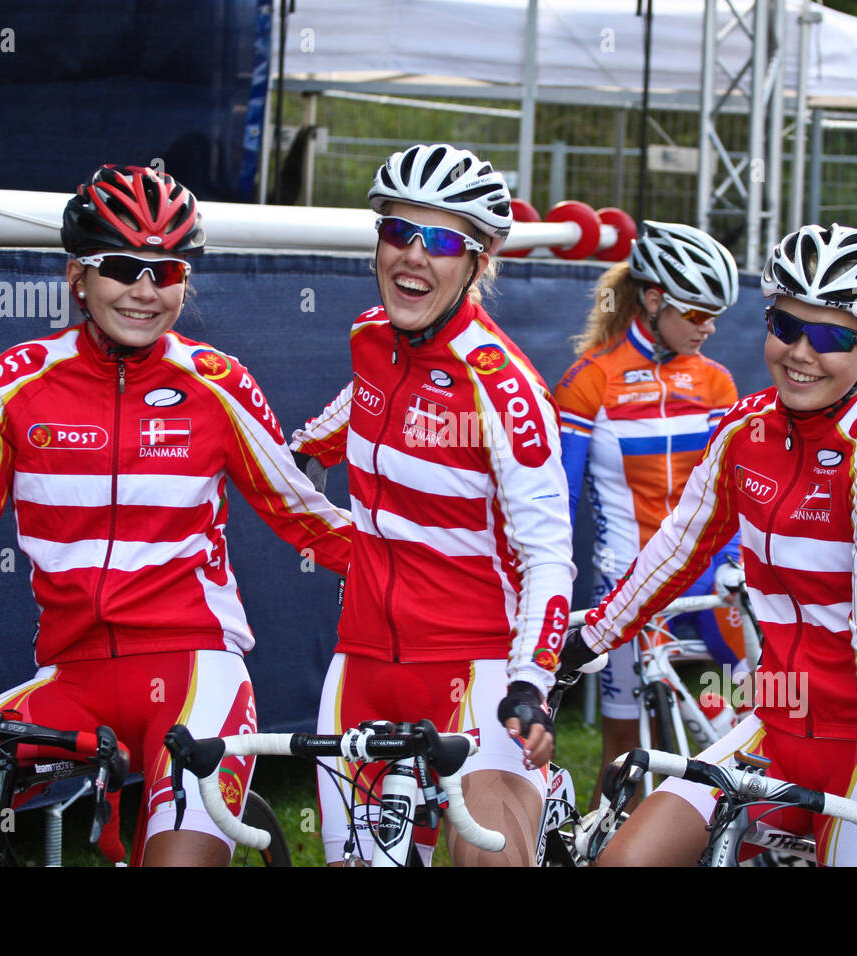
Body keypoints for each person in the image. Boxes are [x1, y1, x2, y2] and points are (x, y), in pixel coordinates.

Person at [0, 164, 353, 867]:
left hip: (195, 672)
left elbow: (308, 519)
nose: (145, 291)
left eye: (166, 272)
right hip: (71, 676)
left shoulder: (216, 384)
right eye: (121, 267)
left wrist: (449, 576)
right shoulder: (15, 381)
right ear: (76, 276)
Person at [570, 223, 857, 867]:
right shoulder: (744, 431)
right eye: (785, 325)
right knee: (623, 860)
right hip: (774, 723)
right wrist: (589, 640)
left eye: (831, 336)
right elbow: (678, 549)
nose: (801, 351)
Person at [289, 143, 574, 866]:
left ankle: (544, 804)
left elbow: (549, 559)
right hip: (361, 658)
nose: (413, 256)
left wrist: (531, 683)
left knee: (488, 855)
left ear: (479, 261)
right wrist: (302, 449)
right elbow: (365, 404)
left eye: (441, 240)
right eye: (398, 232)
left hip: (473, 662)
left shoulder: (505, 387)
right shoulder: (369, 337)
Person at [553, 221, 743, 808]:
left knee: (732, 729)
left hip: (712, 578)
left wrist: (736, 565)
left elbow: (735, 493)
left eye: (717, 314)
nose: (709, 327)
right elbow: (557, 499)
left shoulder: (716, 382)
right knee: (625, 739)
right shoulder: (590, 381)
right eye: (697, 313)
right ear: (655, 300)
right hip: (626, 584)